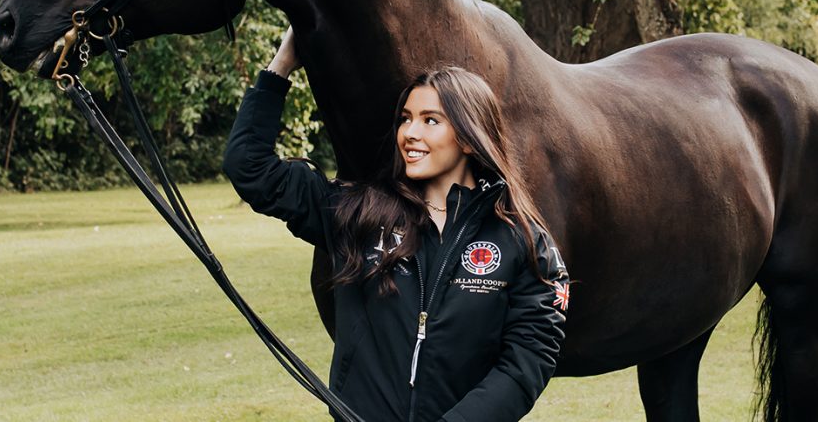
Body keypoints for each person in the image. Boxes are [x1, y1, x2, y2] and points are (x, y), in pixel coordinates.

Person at [222, 27, 569, 422]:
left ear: (470, 138)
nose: (410, 133)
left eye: (430, 120)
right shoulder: (359, 213)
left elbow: (527, 362)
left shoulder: (524, 241)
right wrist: (281, 65)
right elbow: (249, 168)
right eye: (406, 119)